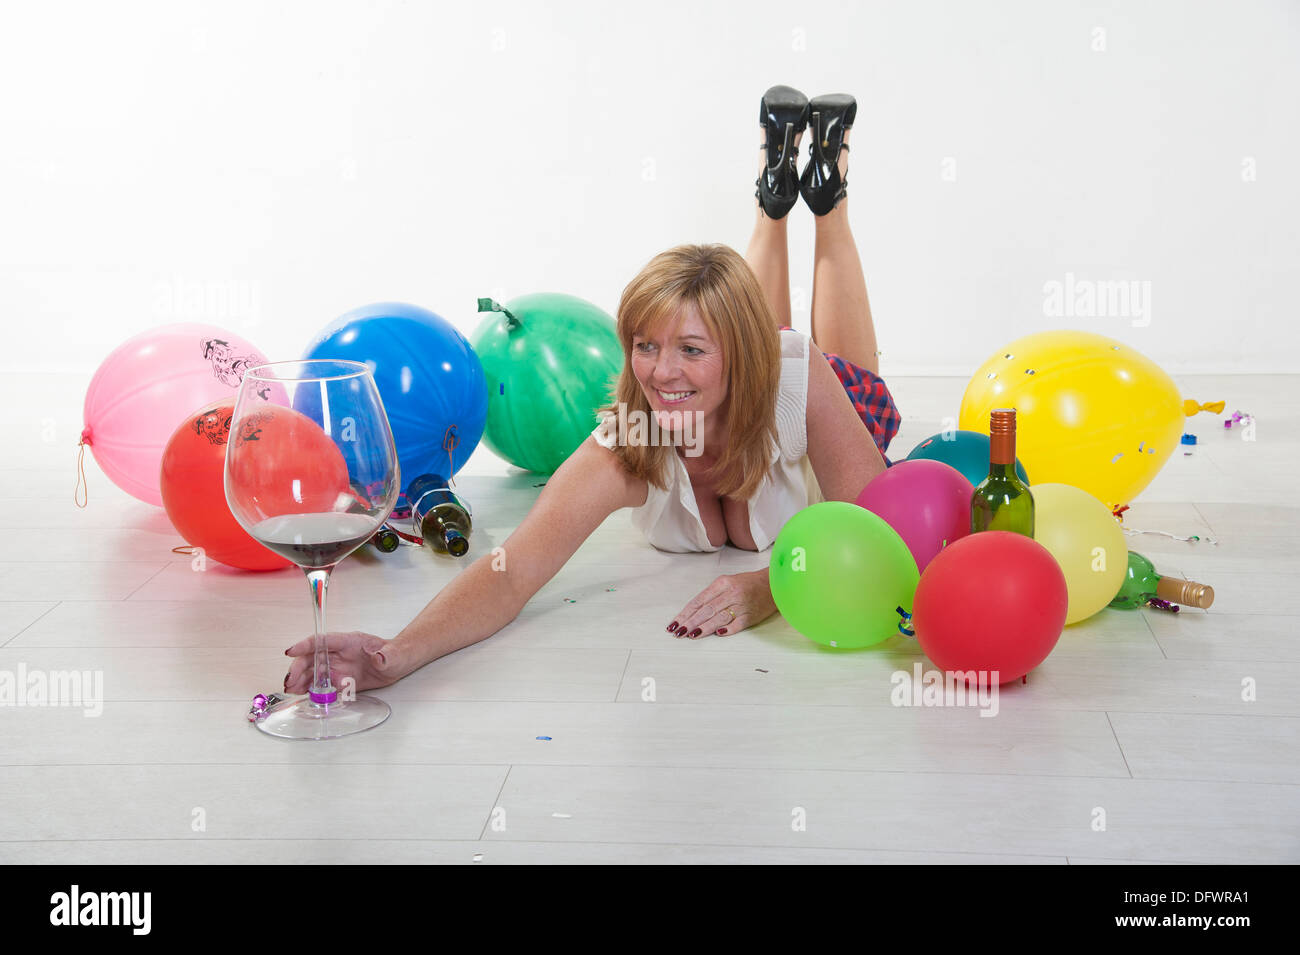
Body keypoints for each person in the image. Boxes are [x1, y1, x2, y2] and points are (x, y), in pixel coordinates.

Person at [284, 85, 901, 694]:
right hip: (747, 359)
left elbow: (881, 528)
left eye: (689, 350)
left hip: (811, 390)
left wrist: (773, 586)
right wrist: (394, 657)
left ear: (741, 358)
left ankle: (827, 196)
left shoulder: (796, 374)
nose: (660, 374)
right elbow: (511, 571)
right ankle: (773, 195)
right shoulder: (629, 440)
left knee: (835, 354)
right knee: (740, 325)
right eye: (645, 345)